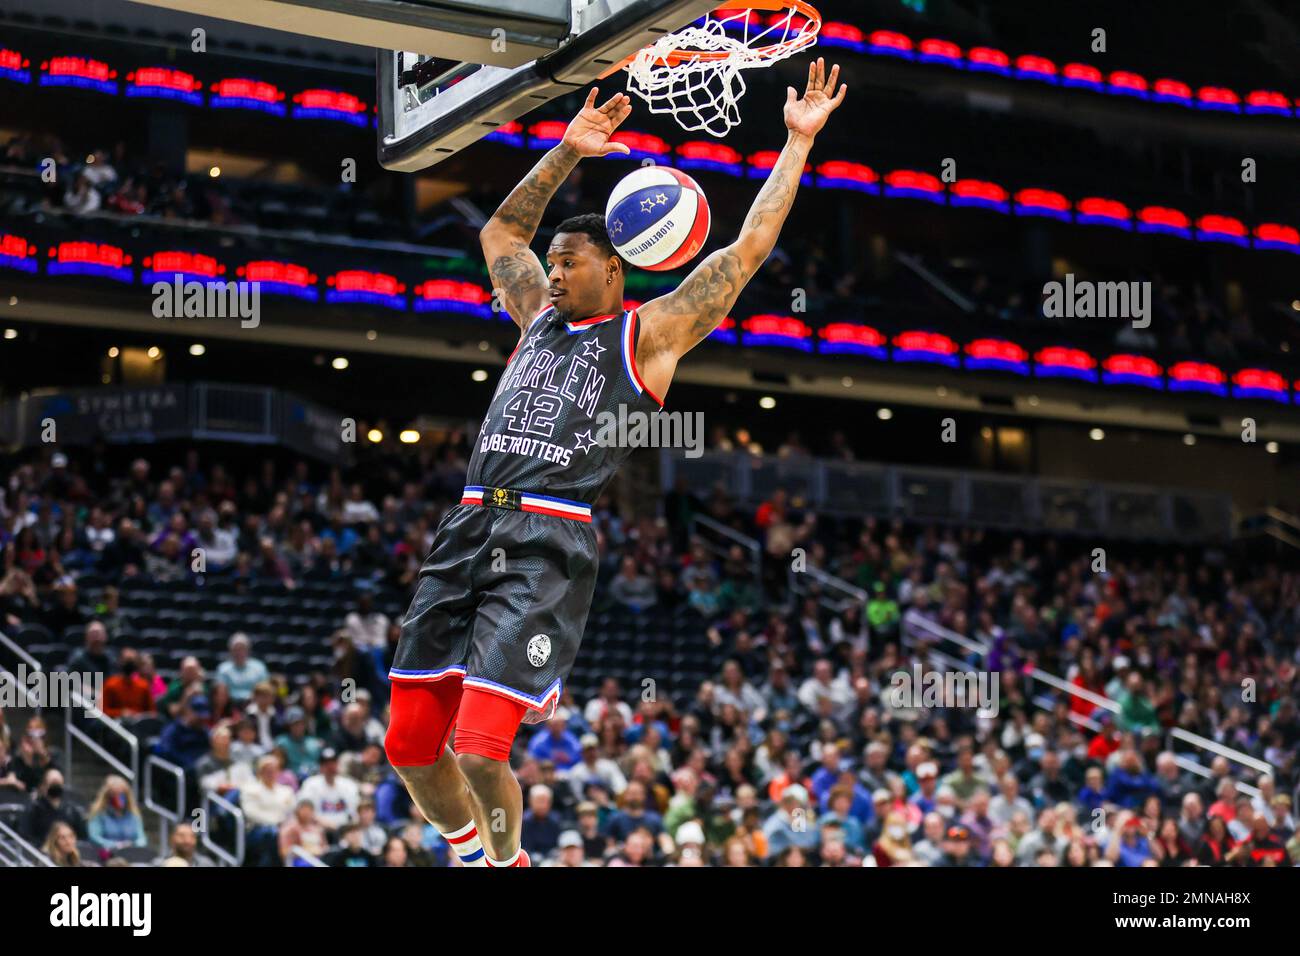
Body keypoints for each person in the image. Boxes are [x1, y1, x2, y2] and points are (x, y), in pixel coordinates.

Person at [383, 65, 847, 869]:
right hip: (468, 520)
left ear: (614, 269)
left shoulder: (650, 336)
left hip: (546, 540)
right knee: (409, 745)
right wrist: (566, 149)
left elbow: (744, 254)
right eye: (552, 262)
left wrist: (797, 142)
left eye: (569, 263)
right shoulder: (534, 316)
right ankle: (471, 854)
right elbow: (500, 236)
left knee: (483, 751)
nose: (553, 273)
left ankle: (508, 865)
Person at [86, 774, 147, 852]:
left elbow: (142, 838)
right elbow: (94, 837)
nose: (118, 798)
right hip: (106, 855)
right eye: (114, 794)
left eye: (122, 794)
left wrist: (133, 845)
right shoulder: (98, 814)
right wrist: (116, 845)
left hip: (131, 853)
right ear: (107, 796)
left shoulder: (133, 815)